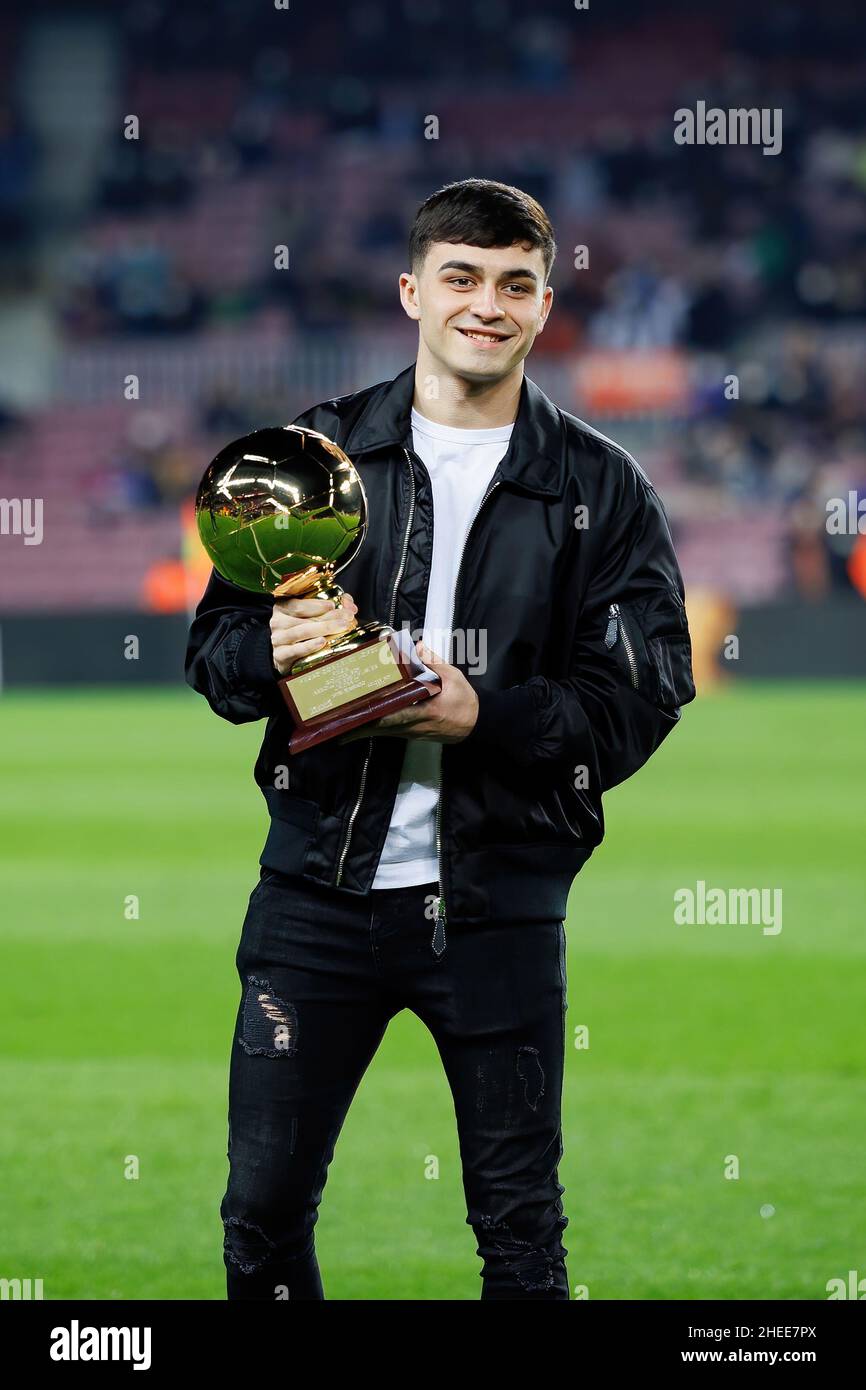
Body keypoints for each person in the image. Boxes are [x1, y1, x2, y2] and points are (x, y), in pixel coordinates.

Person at [185, 178, 696, 1300]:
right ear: (412, 290)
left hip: (498, 903)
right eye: (460, 278)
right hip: (315, 896)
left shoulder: (601, 489)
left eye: (514, 283)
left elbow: (642, 695)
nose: (486, 304)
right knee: (260, 1217)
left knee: (520, 1237)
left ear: (543, 305)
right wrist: (275, 644)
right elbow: (213, 665)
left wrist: (484, 714)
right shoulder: (308, 457)